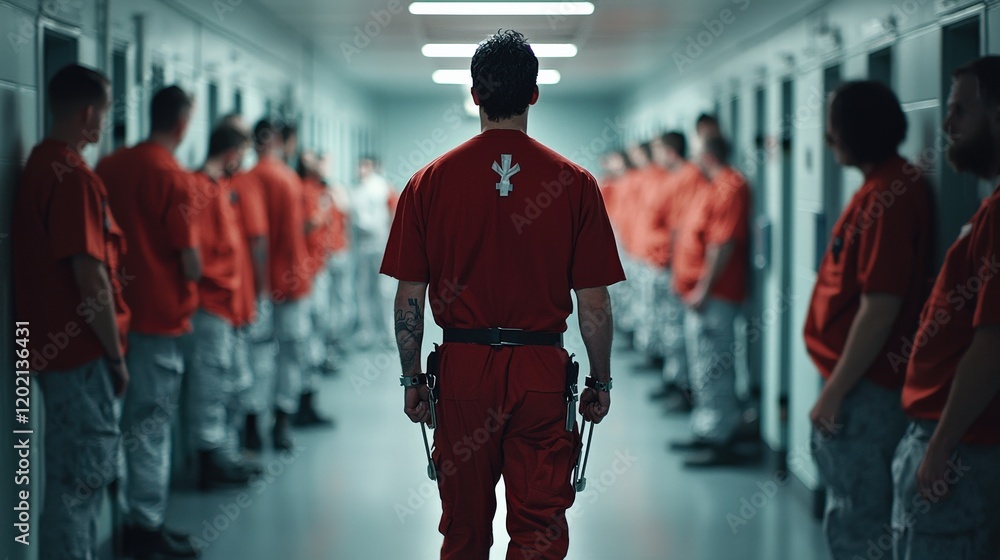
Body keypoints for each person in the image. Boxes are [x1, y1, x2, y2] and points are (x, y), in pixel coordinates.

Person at [380, 30, 624, 560]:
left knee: (463, 532)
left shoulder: (428, 183)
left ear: (474, 94)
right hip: (539, 372)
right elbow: (596, 303)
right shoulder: (574, 184)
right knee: (539, 530)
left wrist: (412, 379)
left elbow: (409, 299)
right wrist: (601, 379)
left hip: (463, 373)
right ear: (535, 93)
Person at [802, 81, 934, 559]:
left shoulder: (890, 195)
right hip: (857, 380)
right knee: (854, 508)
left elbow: (881, 306)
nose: (828, 138)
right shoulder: (880, 187)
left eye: (834, 126)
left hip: (867, 386)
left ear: (856, 130)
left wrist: (835, 391)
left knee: (863, 518)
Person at [13, 64, 130, 560]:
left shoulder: (39, 164)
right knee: (81, 482)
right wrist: (116, 355)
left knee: (65, 476)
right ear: (89, 113)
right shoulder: (74, 177)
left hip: (47, 347)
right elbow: (90, 276)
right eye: (103, 111)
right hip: (79, 353)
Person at [893, 55, 1000, 559]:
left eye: (961, 111)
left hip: (965, 444)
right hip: (954, 436)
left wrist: (940, 447)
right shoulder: (988, 210)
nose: (948, 124)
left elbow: (992, 342)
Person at [97, 85, 200, 558]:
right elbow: (190, 260)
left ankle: (116, 521)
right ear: (182, 122)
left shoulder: (110, 165)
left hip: (110, 318)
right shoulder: (172, 176)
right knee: (151, 425)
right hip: (158, 320)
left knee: (111, 422)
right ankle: (146, 526)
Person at [185, 122, 263, 489]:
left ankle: (226, 454)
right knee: (210, 387)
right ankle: (208, 459)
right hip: (211, 308)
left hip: (231, 308)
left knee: (232, 385)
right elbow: (198, 258)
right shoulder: (200, 188)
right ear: (231, 152)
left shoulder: (222, 188)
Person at [669, 135, 751, 467]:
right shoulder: (714, 185)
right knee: (703, 368)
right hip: (700, 297)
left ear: (707, 153)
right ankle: (707, 429)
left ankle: (720, 438)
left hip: (714, 298)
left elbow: (723, 244)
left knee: (714, 368)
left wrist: (703, 288)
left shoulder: (730, 186)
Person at [245, 118, 313, 450]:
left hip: (254, 286)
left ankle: (252, 424)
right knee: (289, 353)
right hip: (289, 283)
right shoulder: (288, 180)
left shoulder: (243, 181)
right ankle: (281, 422)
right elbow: (293, 235)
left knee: (257, 354)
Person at [647, 131, 705, 413]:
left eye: (658, 151)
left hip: (683, 269)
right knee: (675, 333)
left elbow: (682, 227)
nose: (654, 158)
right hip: (674, 266)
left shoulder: (689, 177)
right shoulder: (675, 178)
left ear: (670, 151)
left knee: (685, 338)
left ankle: (686, 395)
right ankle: (678, 387)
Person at [294, 149, 335, 426]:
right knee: (304, 343)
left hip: (317, 269)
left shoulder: (319, 189)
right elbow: (306, 226)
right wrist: (321, 214)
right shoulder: (302, 191)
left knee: (315, 337)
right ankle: (302, 404)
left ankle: (308, 399)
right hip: (304, 275)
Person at [353, 154, 396, 347]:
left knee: (384, 290)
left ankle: (387, 331)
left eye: (366, 166)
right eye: (360, 166)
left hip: (381, 244)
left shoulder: (384, 188)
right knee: (364, 289)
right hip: (362, 246)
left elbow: (393, 214)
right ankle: (367, 331)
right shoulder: (356, 190)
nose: (362, 170)